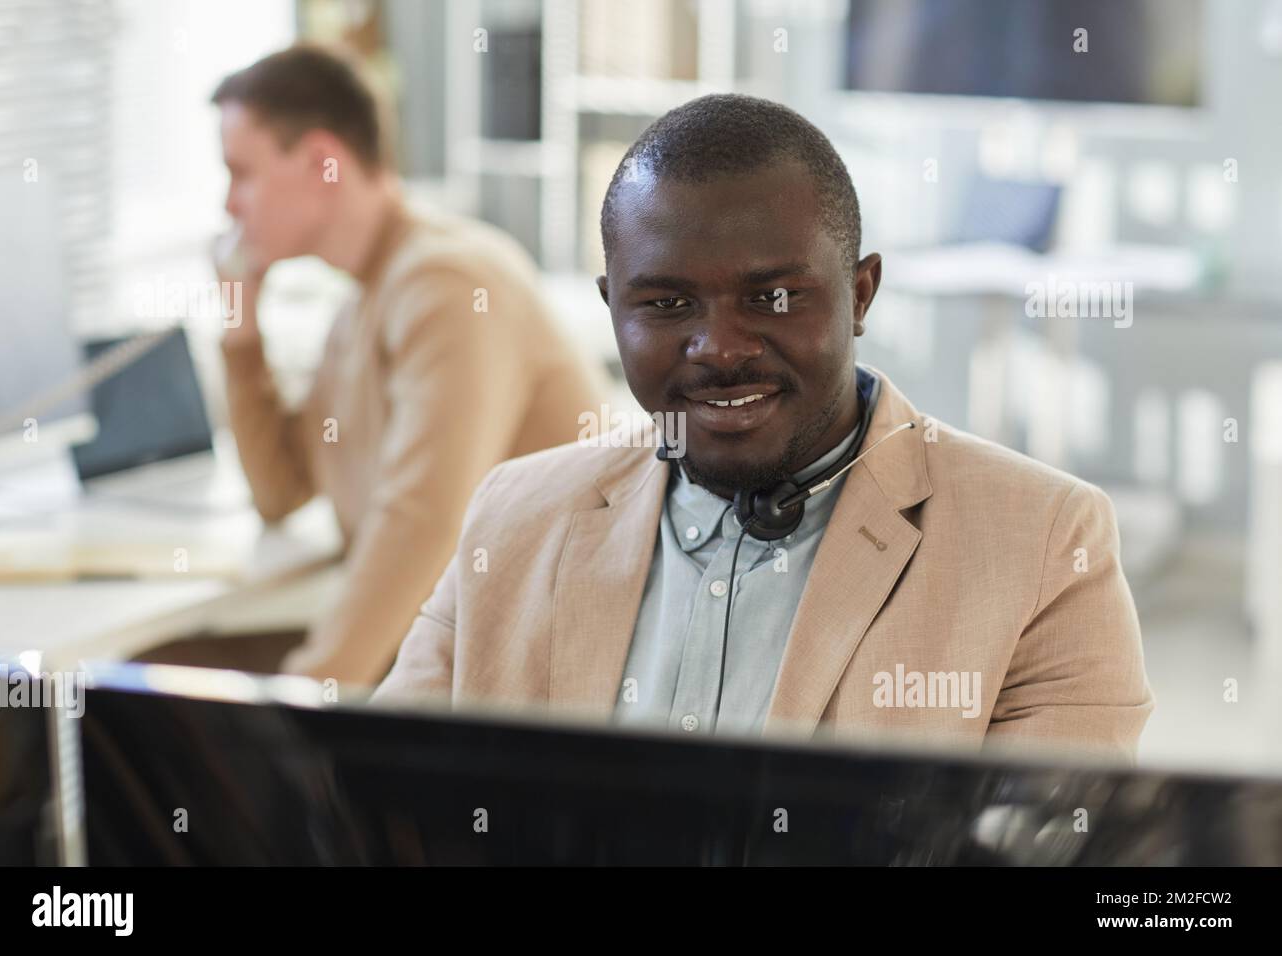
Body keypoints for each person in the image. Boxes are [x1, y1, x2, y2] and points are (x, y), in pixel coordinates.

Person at [373, 94, 1155, 764]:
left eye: (772, 298)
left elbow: (1060, 844)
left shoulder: (1046, 543)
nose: (721, 348)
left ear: (860, 293)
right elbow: (379, 809)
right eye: (667, 305)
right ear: (612, 306)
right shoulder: (514, 515)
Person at [208, 45, 605, 684]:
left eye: (241, 173)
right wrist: (240, 327)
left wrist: (303, 699)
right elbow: (280, 492)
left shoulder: (446, 282)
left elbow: (422, 524)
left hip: (528, 674)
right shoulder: (361, 301)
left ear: (321, 163)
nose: (230, 204)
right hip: (454, 651)